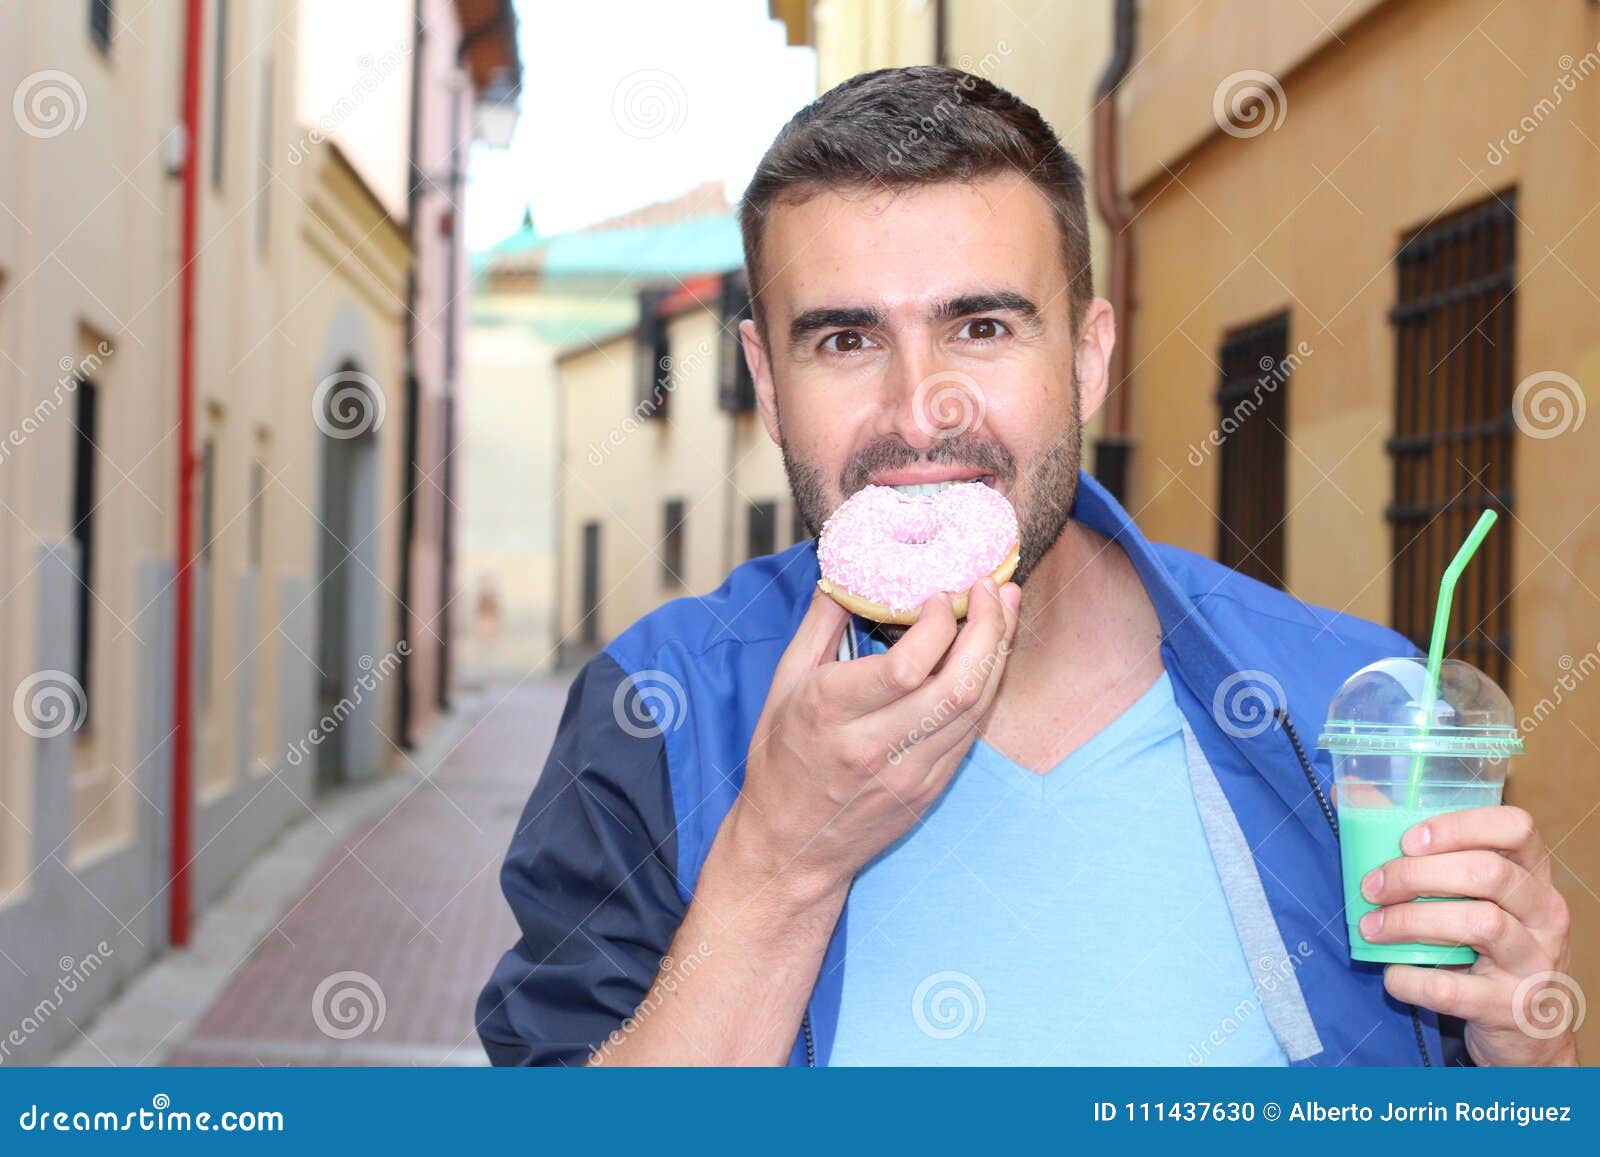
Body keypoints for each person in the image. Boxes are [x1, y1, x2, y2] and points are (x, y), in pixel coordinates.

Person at [475, 66, 1577, 1067]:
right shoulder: (650, 715)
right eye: (845, 341)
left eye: (983, 327)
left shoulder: (1345, 708)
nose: (920, 411)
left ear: (1086, 357)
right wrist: (775, 865)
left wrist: (1527, 1065)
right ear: (766, 379)